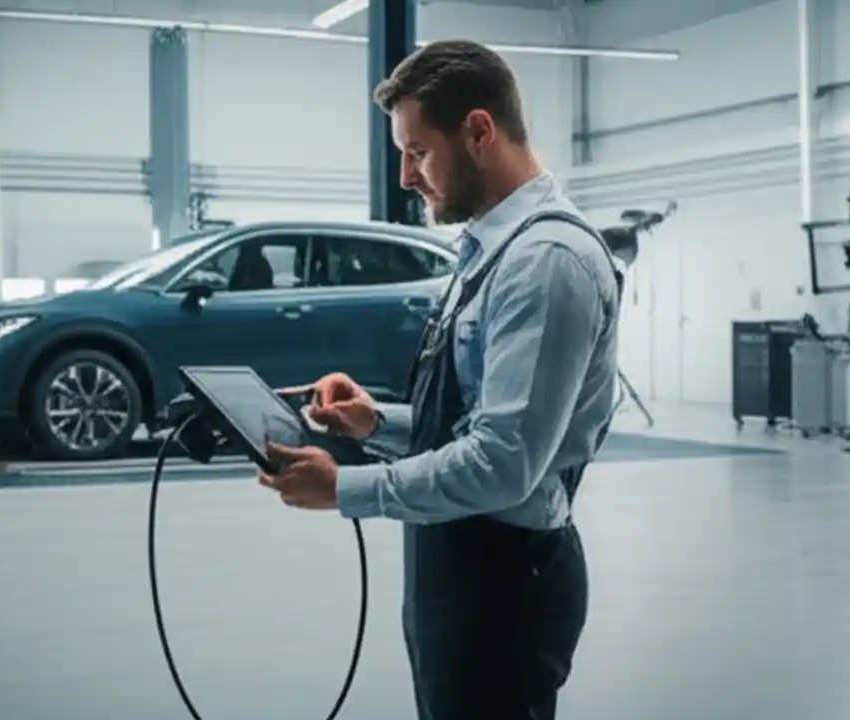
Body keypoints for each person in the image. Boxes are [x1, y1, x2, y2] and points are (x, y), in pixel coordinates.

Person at [258, 39, 623, 720]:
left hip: (505, 581)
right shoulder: (493, 249)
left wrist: (345, 488)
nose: (404, 176)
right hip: (459, 563)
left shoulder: (546, 261)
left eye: (417, 151)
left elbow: (504, 462)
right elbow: (478, 420)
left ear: (479, 131)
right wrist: (376, 425)